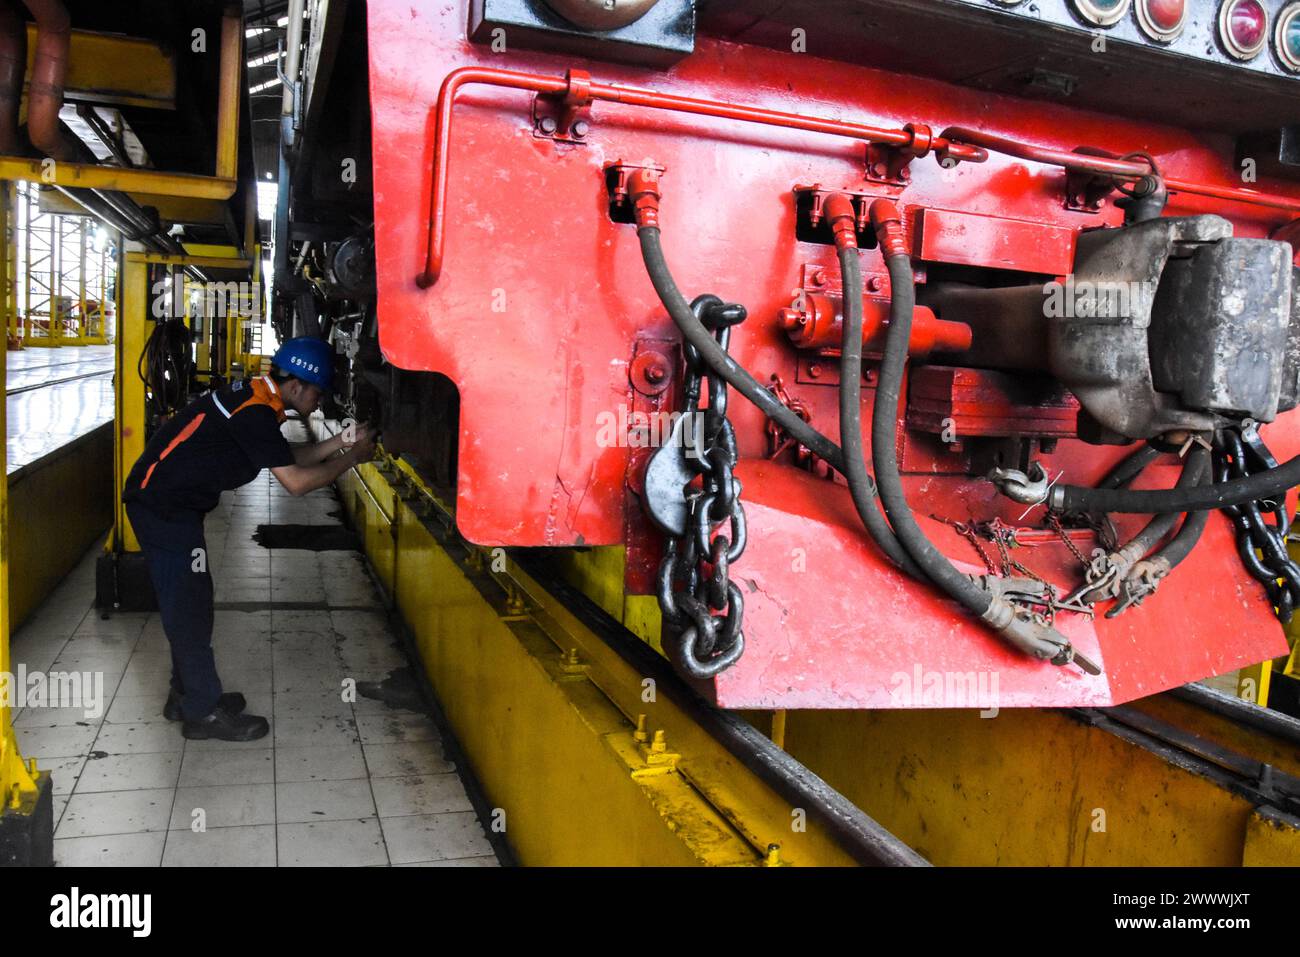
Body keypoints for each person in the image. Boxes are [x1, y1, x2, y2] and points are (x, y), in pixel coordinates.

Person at [121, 336, 377, 741]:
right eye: (319, 391)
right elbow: (295, 482)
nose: (320, 399)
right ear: (297, 385)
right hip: (163, 507)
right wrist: (352, 458)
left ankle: (186, 695)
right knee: (188, 603)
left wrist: (345, 439)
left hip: (171, 503)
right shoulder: (255, 412)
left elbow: (286, 457)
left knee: (192, 599)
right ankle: (201, 713)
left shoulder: (260, 400)